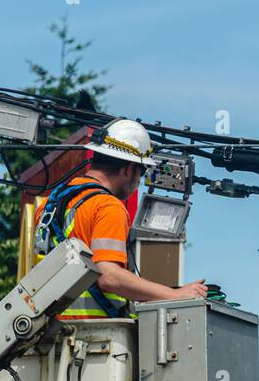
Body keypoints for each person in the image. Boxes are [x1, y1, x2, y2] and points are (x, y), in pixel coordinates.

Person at [34, 118, 206, 320]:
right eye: (141, 172)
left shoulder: (49, 205)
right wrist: (175, 295)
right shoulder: (107, 206)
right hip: (93, 338)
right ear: (128, 169)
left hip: (47, 331)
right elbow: (109, 277)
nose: (138, 182)